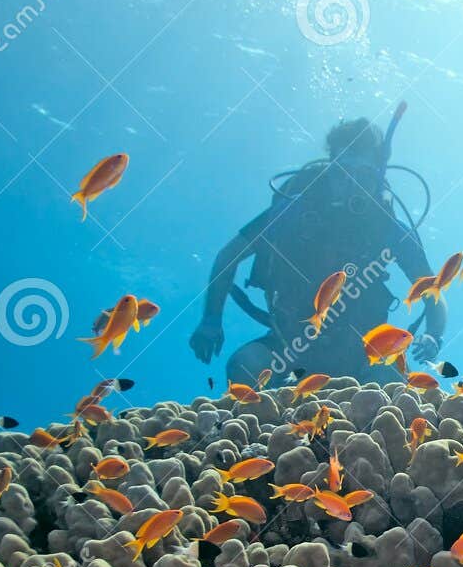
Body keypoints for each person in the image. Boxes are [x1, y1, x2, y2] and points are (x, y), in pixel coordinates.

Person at [189, 106, 443, 383]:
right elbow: (228, 255)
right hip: (288, 345)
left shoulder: (385, 225)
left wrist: (433, 333)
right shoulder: (295, 211)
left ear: (377, 177)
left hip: (363, 353)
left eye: (363, 176)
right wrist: (211, 319)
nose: (352, 186)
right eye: (343, 173)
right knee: (245, 366)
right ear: (329, 169)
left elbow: (432, 289)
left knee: (390, 381)